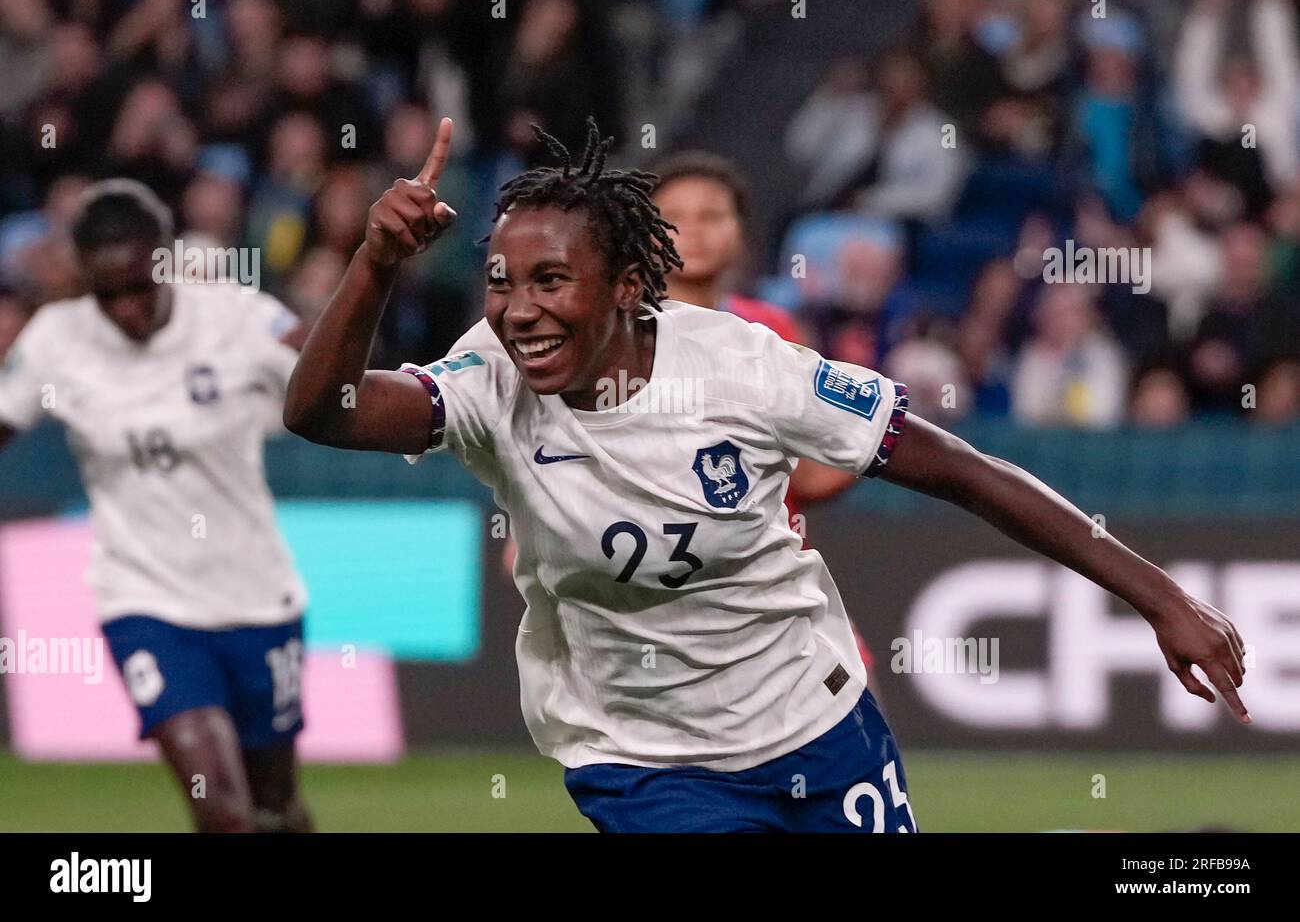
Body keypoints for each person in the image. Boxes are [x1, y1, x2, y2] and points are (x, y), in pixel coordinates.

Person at [285, 118, 1250, 833]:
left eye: (550, 282)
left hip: (815, 720)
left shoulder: (748, 368)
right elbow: (320, 414)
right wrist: (374, 263)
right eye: (501, 280)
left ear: (627, 287)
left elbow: (961, 470)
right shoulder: (487, 381)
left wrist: (1160, 595)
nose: (519, 310)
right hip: (642, 755)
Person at [0, 180, 313, 833]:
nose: (126, 309)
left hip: (257, 598)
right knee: (221, 810)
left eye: (140, 286)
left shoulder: (237, 317)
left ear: (166, 258)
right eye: (106, 293)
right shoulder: (57, 340)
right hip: (145, 605)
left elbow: (334, 380)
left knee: (275, 806)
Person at [649, 150, 877, 678]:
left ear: (740, 232)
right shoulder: (616, 339)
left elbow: (809, 479)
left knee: (865, 722)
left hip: (782, 589)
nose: (695, 231)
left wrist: (867, 432)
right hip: (666, 604)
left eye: (713, 216)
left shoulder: (773, 328)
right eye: (675, 218)